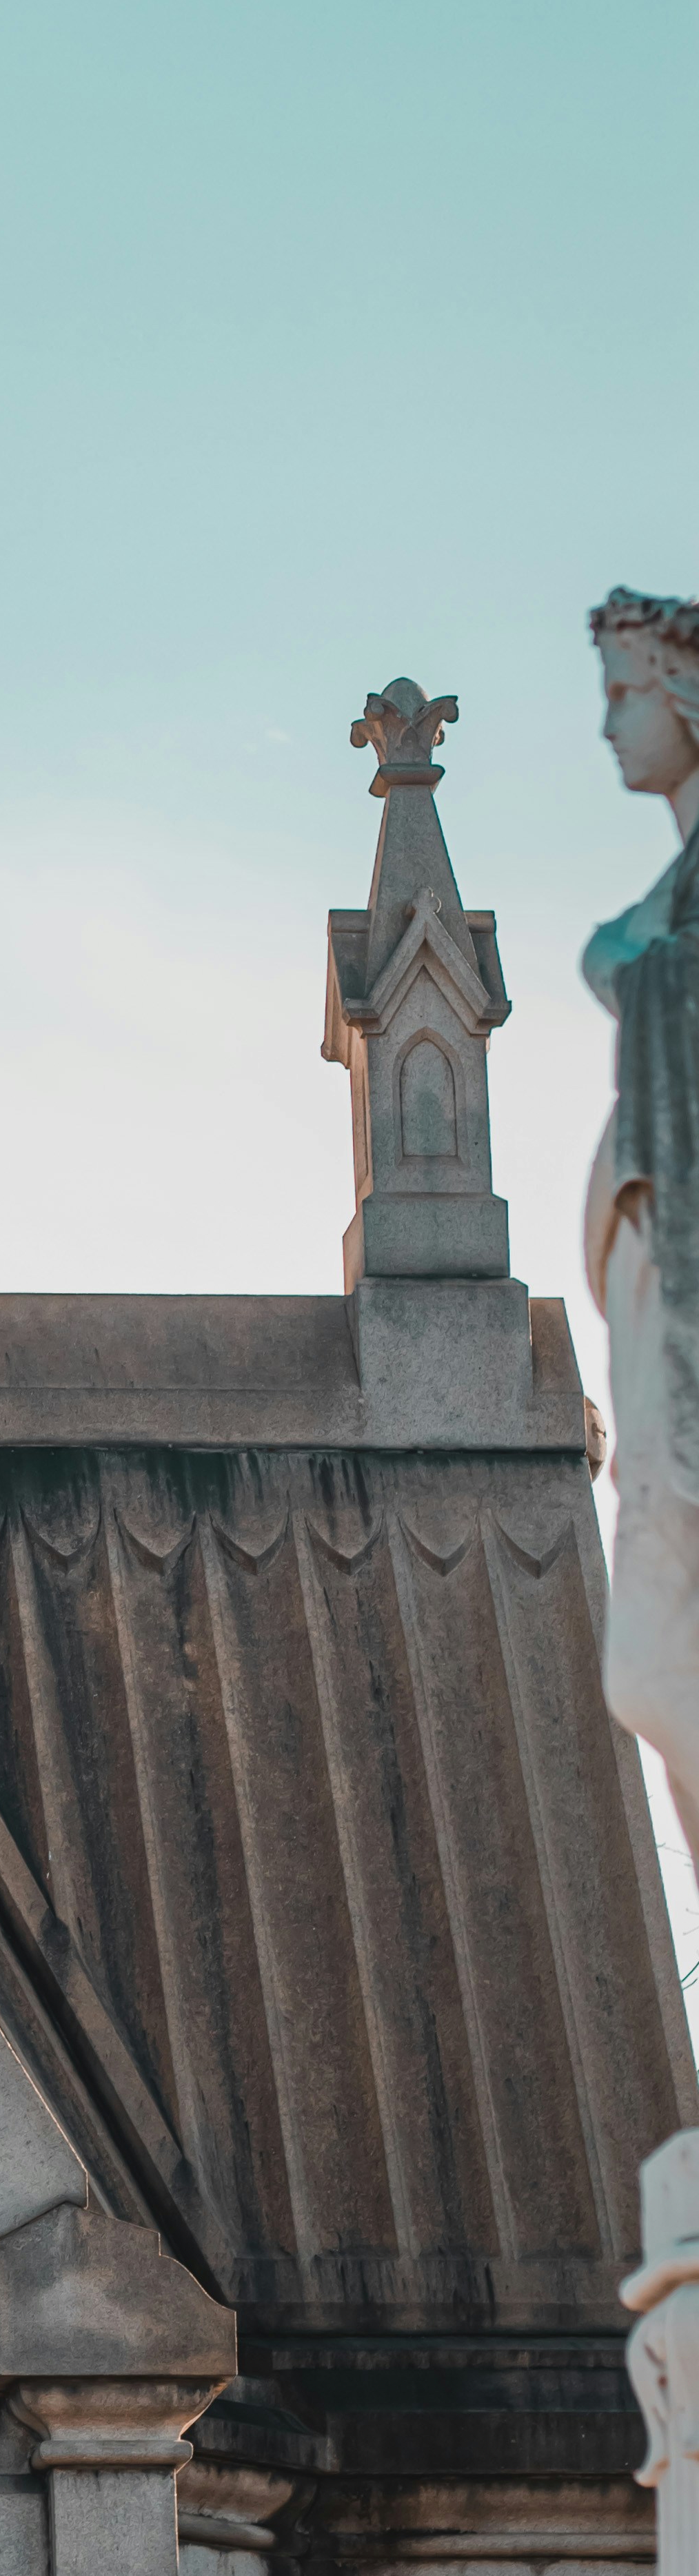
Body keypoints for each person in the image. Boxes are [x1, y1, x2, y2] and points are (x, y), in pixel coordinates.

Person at [587, 587, 699, 1838]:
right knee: (657, 1676)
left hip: (690, 1316)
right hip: (661, 1295)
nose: (611, 727)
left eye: (628, 694)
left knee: (658, 1671)